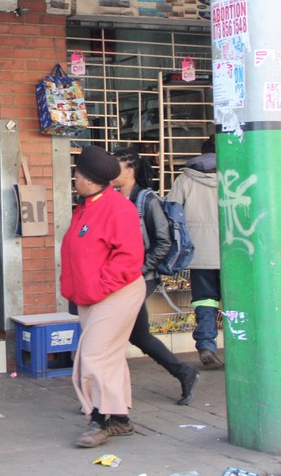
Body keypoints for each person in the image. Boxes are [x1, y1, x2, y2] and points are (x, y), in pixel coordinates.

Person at [61, 146, 146, 449]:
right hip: (93, 295)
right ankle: (120, 419)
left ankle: (102, 418)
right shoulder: (85, 205)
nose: (75, 178)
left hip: (117, 293)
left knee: (94, 354)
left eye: (78, 174)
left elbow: (129, 258)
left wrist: (97, 288)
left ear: (90, 180)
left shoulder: (117, 208)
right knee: (108, 355)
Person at [112, 148, 200, 405]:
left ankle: (108, 398)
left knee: (119, 334)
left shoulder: (147, 201)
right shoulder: (116, 199)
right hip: (124, 278)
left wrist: (140, 269)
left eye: (116, 167)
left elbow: (163, 242)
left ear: (131, 170)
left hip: (141, 278)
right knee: (137, 335)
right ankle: (184, 373)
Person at [166, 135, 223, 370]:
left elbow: (171, 213)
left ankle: (207, 344)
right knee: (236, 305)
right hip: (234, 253)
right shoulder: (234, 177)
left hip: (199, 254)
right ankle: (241, 346)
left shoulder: (185, 180)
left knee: (204, 300)